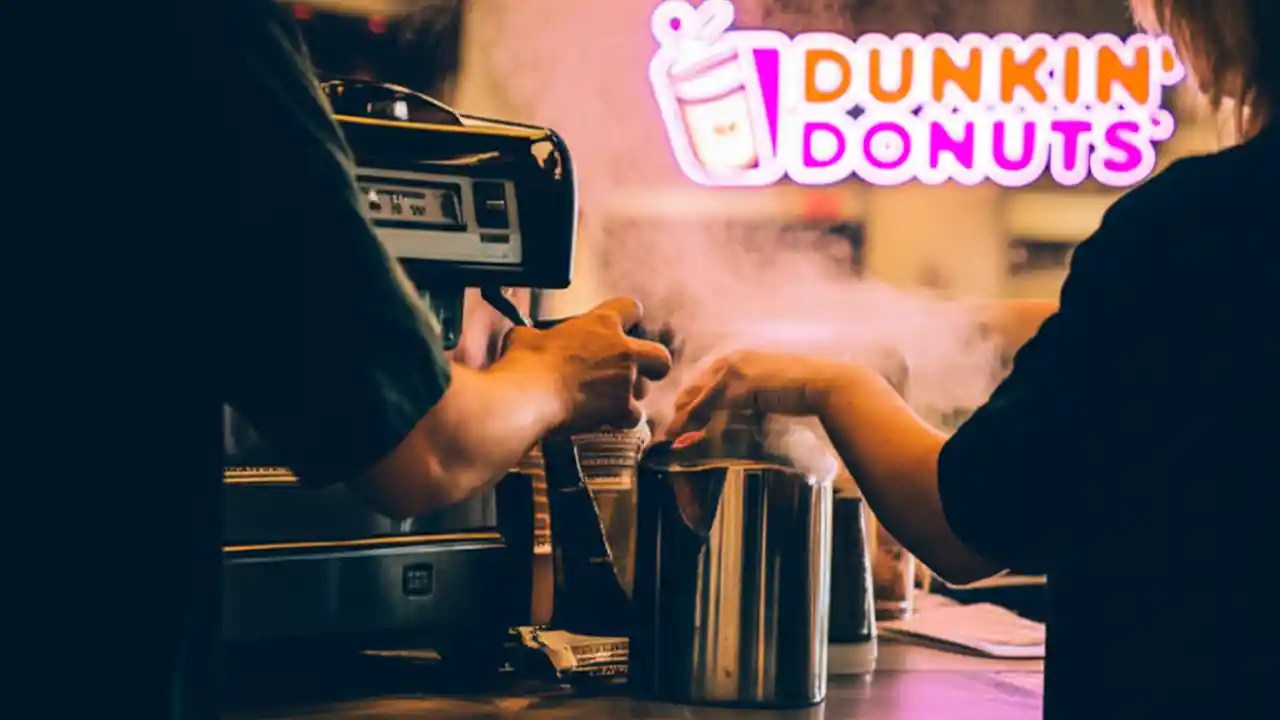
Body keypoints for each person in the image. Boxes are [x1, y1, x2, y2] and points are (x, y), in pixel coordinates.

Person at [667, 1, 1279, 717]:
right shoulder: (1213, 241)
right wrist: (953, 325)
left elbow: (967, 524)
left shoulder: (1186, 227)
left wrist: (826, 383)